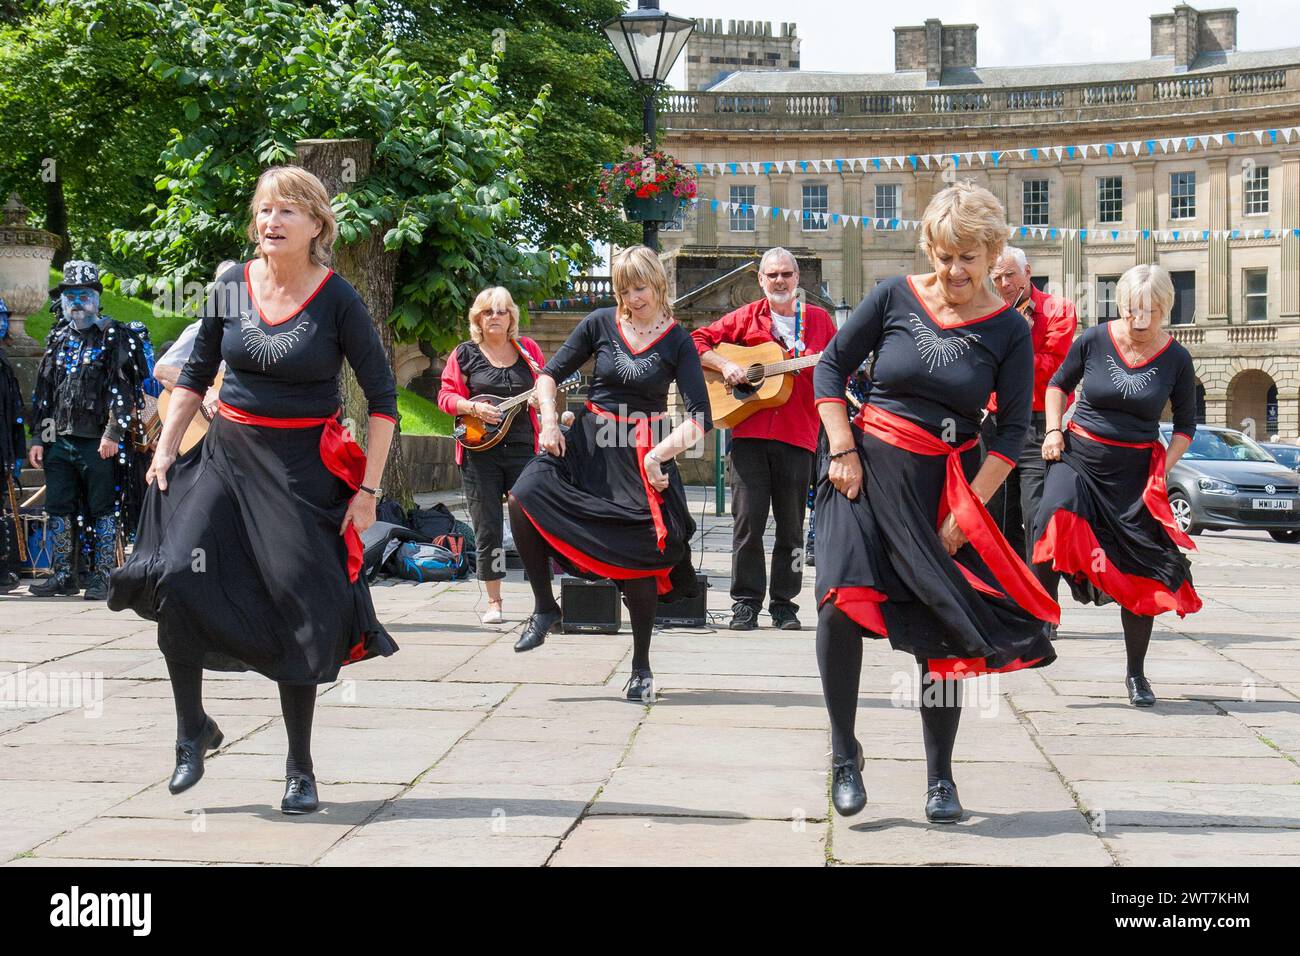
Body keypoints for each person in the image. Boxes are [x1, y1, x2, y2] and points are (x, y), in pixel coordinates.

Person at [108, 166, 399, 815]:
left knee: (300, 602)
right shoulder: (229, 285)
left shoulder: (338, 299)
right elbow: (194, 374)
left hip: (302, 470)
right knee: (176, 574)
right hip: (227, 456)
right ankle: (192, 731)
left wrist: (369, 490)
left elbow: (384, 400)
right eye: (264, 210)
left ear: (316, 226)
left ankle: (299, 766)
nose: (271, 222)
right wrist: (163, 450)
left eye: (287, 212)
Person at [813, 181, 1059, 824]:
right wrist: (841, 447)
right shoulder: (893, 295)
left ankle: (940, 779)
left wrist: (968, 513)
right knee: (840, 602)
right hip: (861, 473)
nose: (953, 270)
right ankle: (844, 753)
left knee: (941, 627)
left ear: (992, 256)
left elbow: (1009, 434)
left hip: (945, 488)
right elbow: (830, 369)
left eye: (968, 258)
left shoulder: (1007, 330)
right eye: (944, 254)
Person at [507, 246, 711, 701]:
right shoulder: (600, 322)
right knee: (523, 495)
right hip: (588, 441)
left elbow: (700, 416)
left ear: (657, 283)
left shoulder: (678, 340)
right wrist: (546, 422)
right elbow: (547, 375)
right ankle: (545, 607)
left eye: (638, 288)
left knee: (638, 551)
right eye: (623, 290)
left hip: (643, 452)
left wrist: (659, 455)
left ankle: (641, 666)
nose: (631, 298)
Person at [1032, 264, 1201, 707]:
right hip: (1080, 455)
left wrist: (1163, 466)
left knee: (1140, 573)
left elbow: (1186, 425)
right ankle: (1042, 620)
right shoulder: (1094, 340)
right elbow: (1057, 385)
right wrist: (1054, 431)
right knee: (1052, 517)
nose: (1138, 320)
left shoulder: (1178, 358)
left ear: (1164, 308)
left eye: (1149, 311)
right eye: (1130, 309)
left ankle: (1136, 674)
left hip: (1134, 473)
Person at [692, 248, 837, 630]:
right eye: (772, 275)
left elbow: (840, 366)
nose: (779, 281)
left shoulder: (820, 322)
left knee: (791, 528)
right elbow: (696, 340)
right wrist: (726, 365)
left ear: (797, 278)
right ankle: (745, 602)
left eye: (786, 274)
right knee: (748, 524)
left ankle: (785, 605)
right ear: (760, 280)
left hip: (799, 435)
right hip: (750, 435)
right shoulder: (745, 318)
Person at [27, 261, 153, 600]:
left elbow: (124, 391)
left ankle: (102, 576)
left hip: (98, 443)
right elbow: (46, 394)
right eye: (71, 296)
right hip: (60, 441)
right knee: (57, 506)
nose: (77, 302)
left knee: (103, 508)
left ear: (96, 299)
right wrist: (41, 438)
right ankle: (63, 574)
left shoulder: (115, 336)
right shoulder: (57, 338)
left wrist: (113, 433)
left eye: (84, 295)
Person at [437, 287, 545, 624]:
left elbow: (545, 389)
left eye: (501, 311)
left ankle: (543, 599)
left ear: (512, 317)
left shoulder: (528, 351)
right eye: (488, 312)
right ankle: (495, 601)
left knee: (532, 523)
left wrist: (541, 401)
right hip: (478, 454)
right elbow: (445, 396)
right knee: (488, 529)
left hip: (523, 450)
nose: (495, 317)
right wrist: (471, 407)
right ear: (477, 319)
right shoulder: (465, 354)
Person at [984, 246, 1078, 562]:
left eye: (1010, 274)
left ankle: (1035, 591)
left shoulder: (1058, 309)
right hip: (995, 422)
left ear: (1027, 271)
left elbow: (1053, 369)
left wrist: (1012, 349)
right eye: (996, 278)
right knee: (996, 511)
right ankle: (1005, 589)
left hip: (1037, 422)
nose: (1004, 283)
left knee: (1035, 510)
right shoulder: (989, 312)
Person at [151, 260, 238, 420]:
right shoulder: (201, 329)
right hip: (196, 424)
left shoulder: (249, 334)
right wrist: (205, 394)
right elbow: (161, 369)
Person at [0, 297, 25, 593]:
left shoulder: (5, 363)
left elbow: (15, 413)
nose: (3, 323)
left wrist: (17, 450)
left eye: (5, 317)